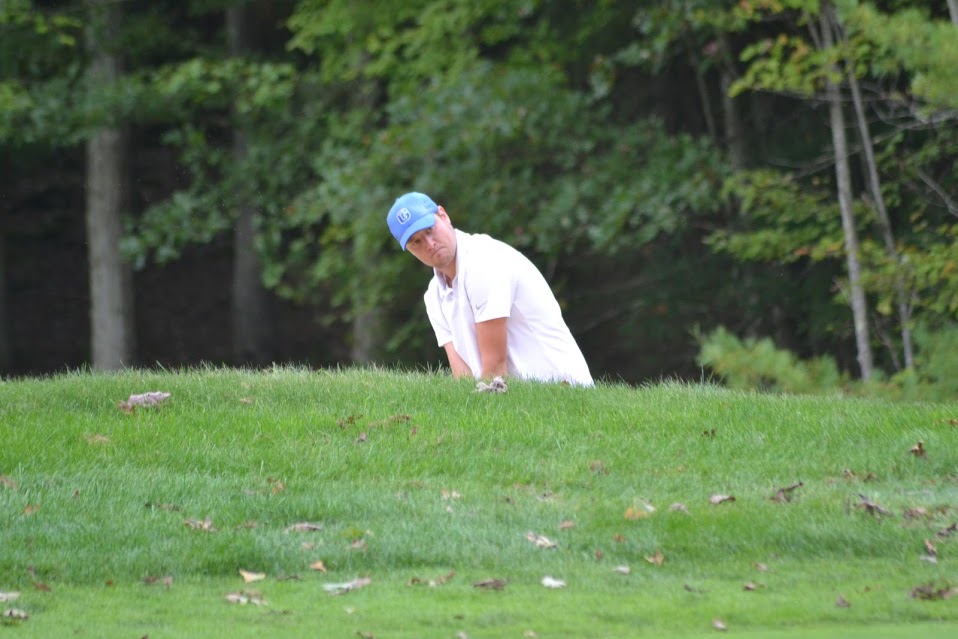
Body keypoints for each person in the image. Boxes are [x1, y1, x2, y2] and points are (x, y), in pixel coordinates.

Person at [386, 191, 594, 386]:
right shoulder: (433, 296)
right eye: (416, 242)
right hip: (515, 404)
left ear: (443, 215)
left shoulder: (483, 261)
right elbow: (464, 379)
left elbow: (495, 369)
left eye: (429, 230)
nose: (429, 244)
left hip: (563, 394)